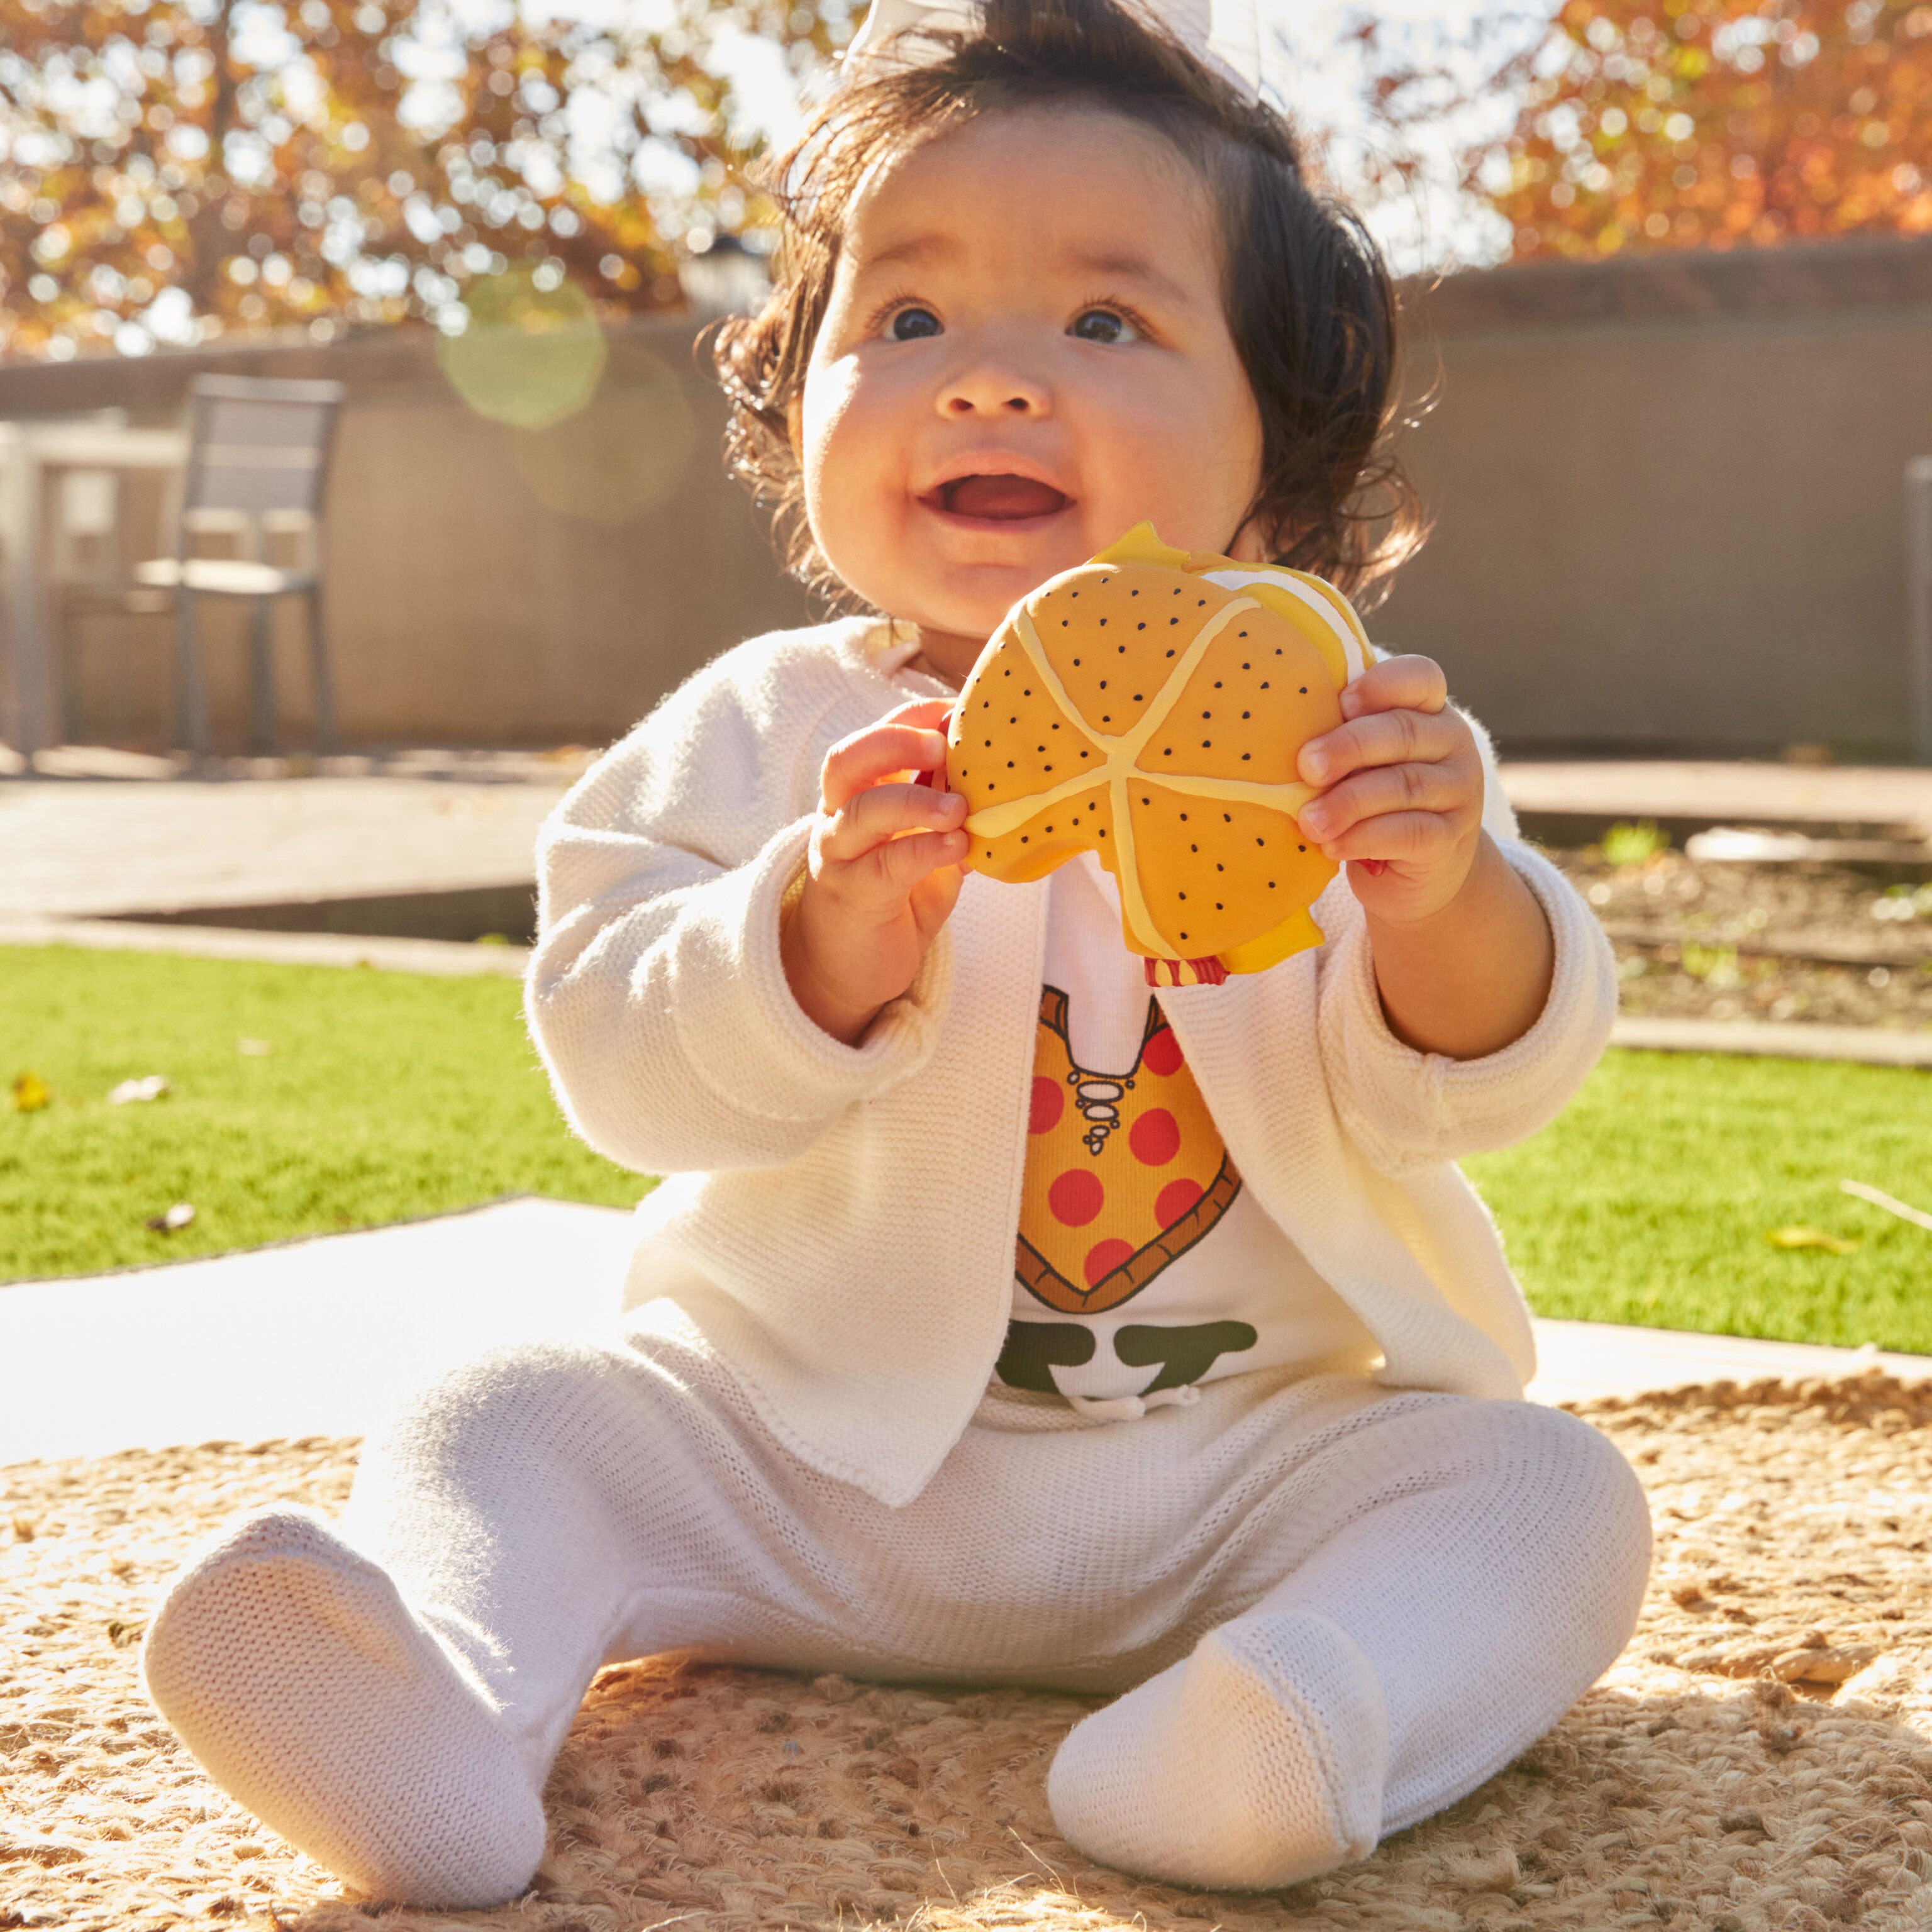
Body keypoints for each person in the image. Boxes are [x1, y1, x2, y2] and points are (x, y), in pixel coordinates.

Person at [141, 0, 1650, 1907]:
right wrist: (810, 932)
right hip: (799, 1460)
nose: (990, 382)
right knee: (509, 1410)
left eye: (1107, 321)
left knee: (1550, 1495)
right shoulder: (760, 732)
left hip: (1241, 1473)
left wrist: (1444, 900)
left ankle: (1284, 1728)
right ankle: (434, 1712)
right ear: (798, 401)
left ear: (1281, 452)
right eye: (908, 318)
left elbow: (1483, 1081)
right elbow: (615, 1062)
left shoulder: (1339, 736)